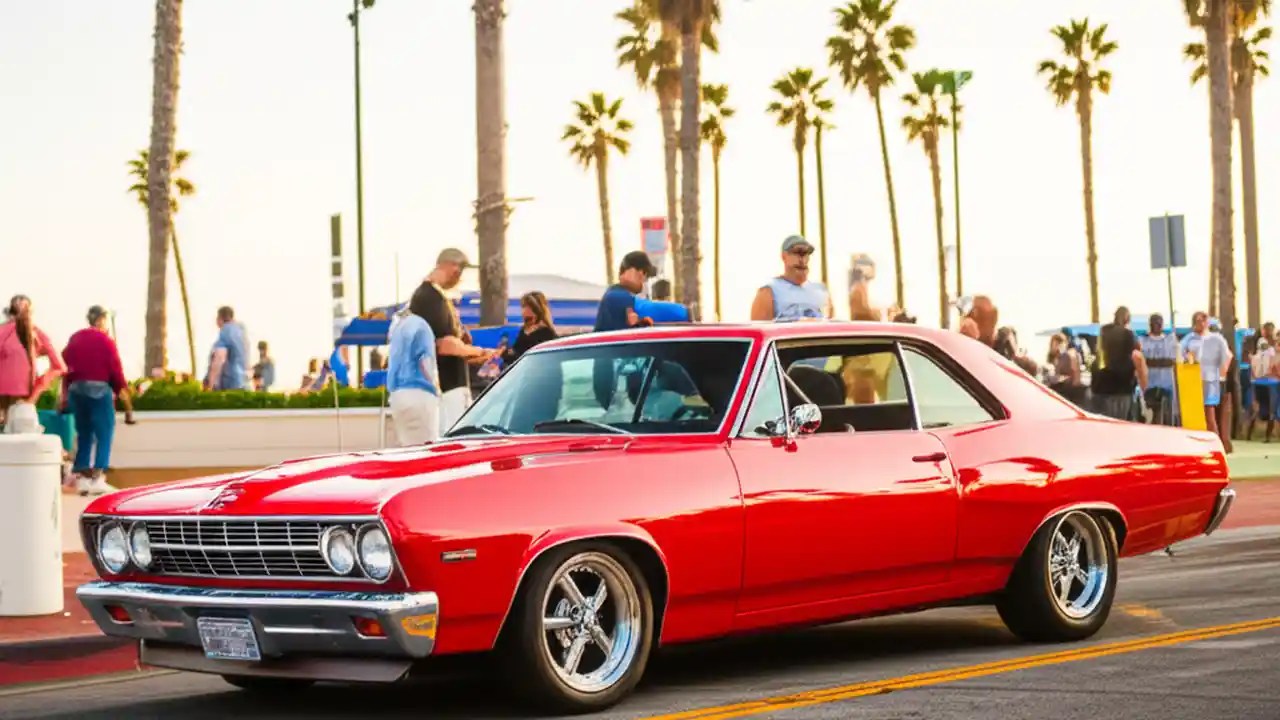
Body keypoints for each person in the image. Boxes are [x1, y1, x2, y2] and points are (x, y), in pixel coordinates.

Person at [409, 248, 496, 431]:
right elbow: (445, 345)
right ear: (452, 267)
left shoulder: (433, 296)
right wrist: (478, 351)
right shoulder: (430, 297)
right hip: (447, 388)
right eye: (460, 270)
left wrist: (469, 354)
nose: (459, 276)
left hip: (448, 387)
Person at [61, 306, 135, 495]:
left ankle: (83, 476)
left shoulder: (75, 338)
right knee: (104, 431)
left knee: (84, 432)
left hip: (76, 389)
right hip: (99, 389)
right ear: (102, 320)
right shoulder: (106, 340)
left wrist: (64, 396)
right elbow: (116, 372)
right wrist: (127, 406)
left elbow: (65, 362)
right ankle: (98, 476)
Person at [0, 294, 65, 427]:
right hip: (24, 395)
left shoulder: (6, 332)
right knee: (20, 438)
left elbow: (60, 366)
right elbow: (59, 366)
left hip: (12, 395)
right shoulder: (36, 333)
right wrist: (37, 390)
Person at [386, 306, 440, 445]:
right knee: (426, 449)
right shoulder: (422, 327)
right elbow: (425, 361)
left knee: (408, 448)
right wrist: (436, 387)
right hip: (419, 393)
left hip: (398, 396)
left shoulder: (398, 328)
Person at [751, 235, 833, 321]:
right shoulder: (769, 291)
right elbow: (761, 329)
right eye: (797, 253)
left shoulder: (821, 290)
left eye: (806, 254)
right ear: (784, 256)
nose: (802, 260)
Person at [1181, 311, 1233, 437]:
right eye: (1198, 321)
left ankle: (1216, 443)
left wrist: (1223, 370)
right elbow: (1180, 353)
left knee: (1210, 415)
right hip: (1193, 380)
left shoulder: (1216, 338)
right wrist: (1187, 358)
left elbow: (1228, 355)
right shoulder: (1189, 338)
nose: (1201, 323)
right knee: (1195, 415)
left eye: (1203, 320)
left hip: (1211, 380)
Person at [1091, 306, 1146, 420]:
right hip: (1122, 386)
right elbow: (1137, 357)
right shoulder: (1129, 334)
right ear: (1128, 319)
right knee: (1121, 423)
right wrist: (1143, 383)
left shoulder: (1103, 331)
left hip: (1100, 385)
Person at [595, 250, 658, 332]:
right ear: (630, 270)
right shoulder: (618, 297)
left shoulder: (614, 293)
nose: (644, 278)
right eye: (643, 272)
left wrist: (640, 324)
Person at [1140, 313, 1178, 425]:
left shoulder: (1170, 339)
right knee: (1151, 417)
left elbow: (1173, 360)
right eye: (1154, 322)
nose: (1157, 325)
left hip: (1167, 385)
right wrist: (1161, 362)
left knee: (1166, 418)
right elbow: (1142, 361)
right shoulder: (1143, 340)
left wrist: (1151, 362)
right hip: (1149, 386)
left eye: (1159, 322)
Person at [505, 291, 559, 363]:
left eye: (529, 307)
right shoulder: (524, 330)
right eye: (523, 306)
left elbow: (527, 359)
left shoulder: (546, 334)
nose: (524, 311)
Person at [205, 306, 248, 391]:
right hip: (242, 382)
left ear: (220, 318)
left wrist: (211, 383)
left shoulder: (226, 331)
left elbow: (220, 357)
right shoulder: (241, 331)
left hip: (229, 384)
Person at [1248, 336, 1276, 441]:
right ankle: (1267, 437)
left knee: (1256, 410)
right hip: (1269, 384)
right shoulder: (1271, 355)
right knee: (1270, 411)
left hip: (1257, 384)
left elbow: (1253, 374)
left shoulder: (1255, 357)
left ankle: (1248, 436)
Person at [1047, 332, 1085, 405]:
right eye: (1054, 345)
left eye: (1058, 344)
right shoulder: (1054, 358)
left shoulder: (1068, 355)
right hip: (1059, 386)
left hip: (1068, 389)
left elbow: (1074, 374)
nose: (1056, 347)